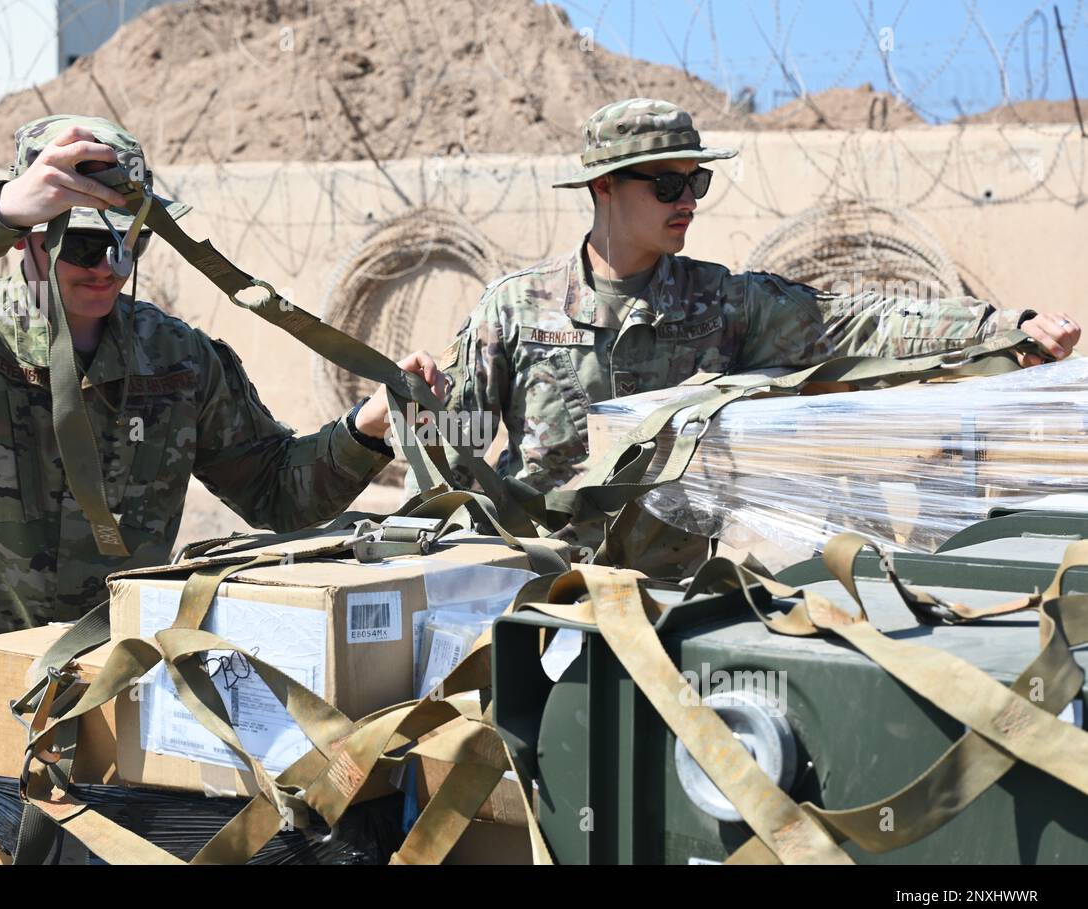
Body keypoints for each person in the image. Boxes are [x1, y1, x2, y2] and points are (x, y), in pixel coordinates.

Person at [0, 115, 443, 864]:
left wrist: (368, 427)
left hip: (107, 720)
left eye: (130, 239)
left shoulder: (177, 358)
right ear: (31, 236)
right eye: (85, 242)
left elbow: (280, 492)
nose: (110, 265)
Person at [429, 98, 1081, 577]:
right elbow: (450, 446)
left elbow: (858, 322)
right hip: (541, 589)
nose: (687, 199)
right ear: (604, 186)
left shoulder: (721, 303)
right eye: (667, 184)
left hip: (669, 596)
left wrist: (1000, 328)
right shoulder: (514, 310)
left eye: (697, 181)